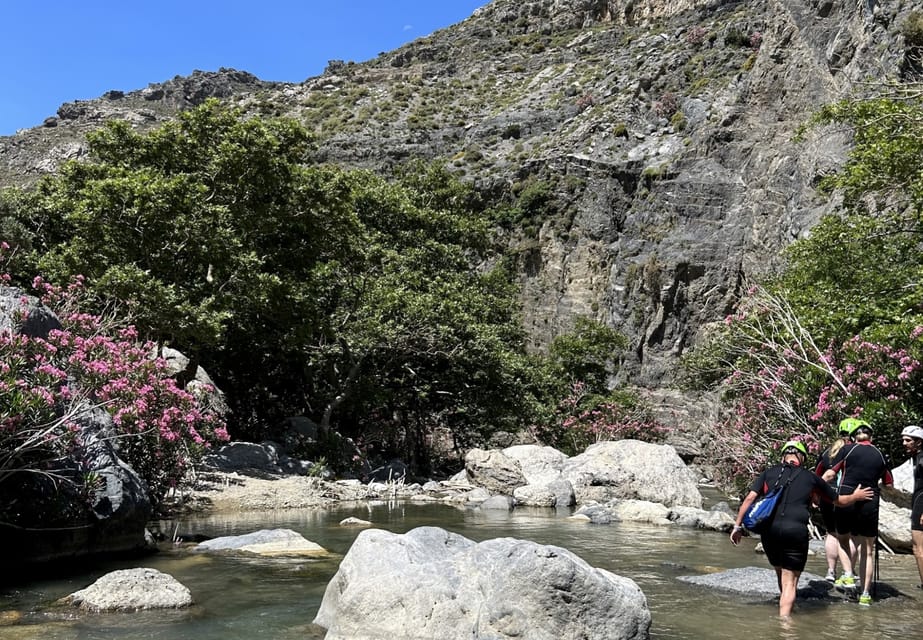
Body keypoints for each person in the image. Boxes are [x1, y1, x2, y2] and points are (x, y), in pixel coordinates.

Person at [730, 440, 873, 620]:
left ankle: (784, 608)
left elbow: (749, 499)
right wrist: (856, 496)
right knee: (790, 582)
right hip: (795, 531)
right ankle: (785, 624)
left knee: (780, 572)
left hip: (769, 532)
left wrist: (737, 526)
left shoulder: (768, 473)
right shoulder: (810, 477)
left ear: (783, 456)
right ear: (802, 457)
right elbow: (839, 501)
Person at [823, 419, 893, 606]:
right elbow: (888, 482)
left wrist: (816, 487)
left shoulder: (847, 450)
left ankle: (847, 574)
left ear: (854, 436)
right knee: (868, 551)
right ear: (871, 436)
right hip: (870, 500)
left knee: (842, 538)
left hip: (846, 497)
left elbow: (830, 474)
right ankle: (865, 595)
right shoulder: (880, 454)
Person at [813, 424, 854, 582]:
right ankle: (849, 571)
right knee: (849, 535)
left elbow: (817, 475)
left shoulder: (827, 452)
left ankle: (831, 571)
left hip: (827, 495)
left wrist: (816, 494)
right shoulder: (854, 451)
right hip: (848, 496)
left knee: (831, 533)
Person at [899, 424, 923, 589]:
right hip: (918, 501)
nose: (904, 443)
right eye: (903, 440)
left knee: (918, 549)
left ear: (919, 442)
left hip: (921, 504)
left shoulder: (922, 458)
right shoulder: (917, 457)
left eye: (908, 440)